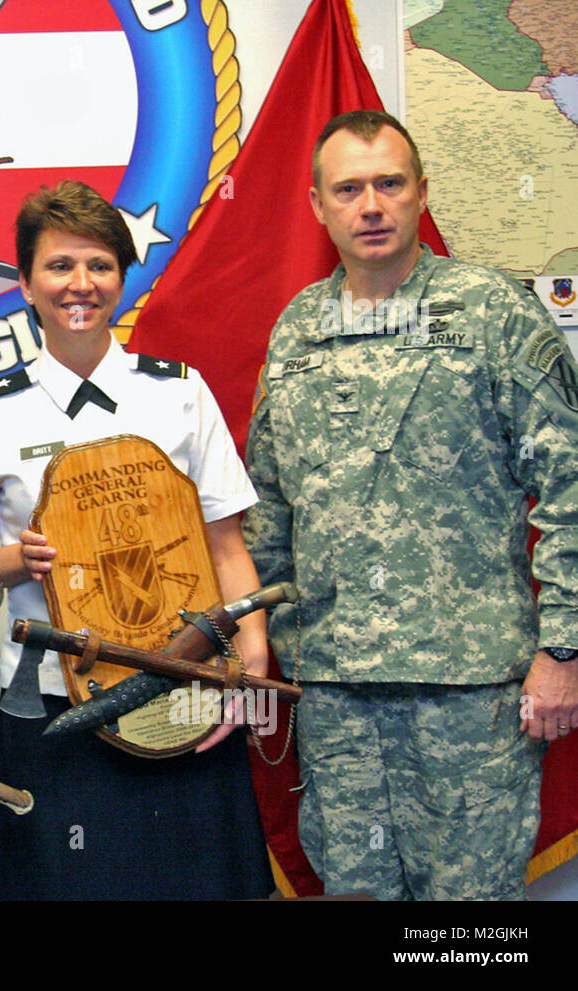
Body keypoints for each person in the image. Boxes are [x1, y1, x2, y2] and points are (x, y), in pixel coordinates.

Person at [243, 110, 578, 900]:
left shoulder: (492, 312)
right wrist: (264, 647)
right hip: (335, 697)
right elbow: (269, 507)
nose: (371, 205)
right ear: (319, 205)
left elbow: (569, 486)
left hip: (471, 697)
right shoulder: (297, 331)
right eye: (349, 188)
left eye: (390, 183)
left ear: (420, 193)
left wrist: (562, 651)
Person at [0, 180, 274, 899]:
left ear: (124, 276)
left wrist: (247, 672)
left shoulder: (179, 391)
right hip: (54, 706)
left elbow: (227, 547)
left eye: (99, 264)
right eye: (58, 266)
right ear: (25, 283)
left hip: (184, 685)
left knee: (202, 884)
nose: (79, 284)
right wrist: (16, 558)